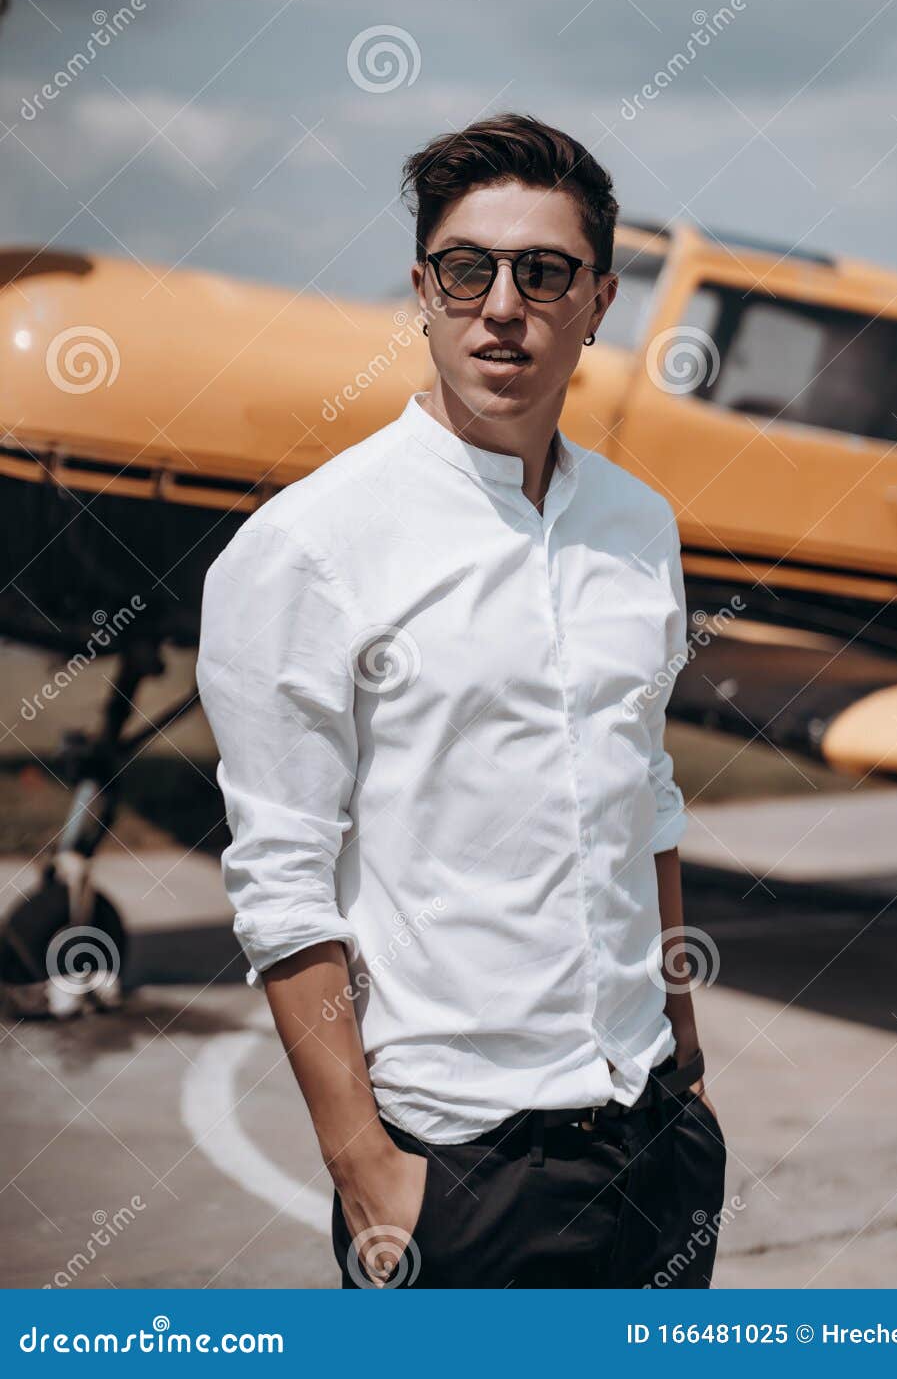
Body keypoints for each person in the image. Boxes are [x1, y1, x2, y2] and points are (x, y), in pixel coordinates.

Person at [195, 112, 727, 1289]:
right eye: (466, 269)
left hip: (653, 1142)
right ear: (421, 291)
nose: (501, 307)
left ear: (598, 301)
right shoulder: (307, 547)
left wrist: (682, 1052)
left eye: (543, 273)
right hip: (457, 1177)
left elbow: (646, 791)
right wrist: (369, 1175)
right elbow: (281, 884)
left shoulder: (638, 527)